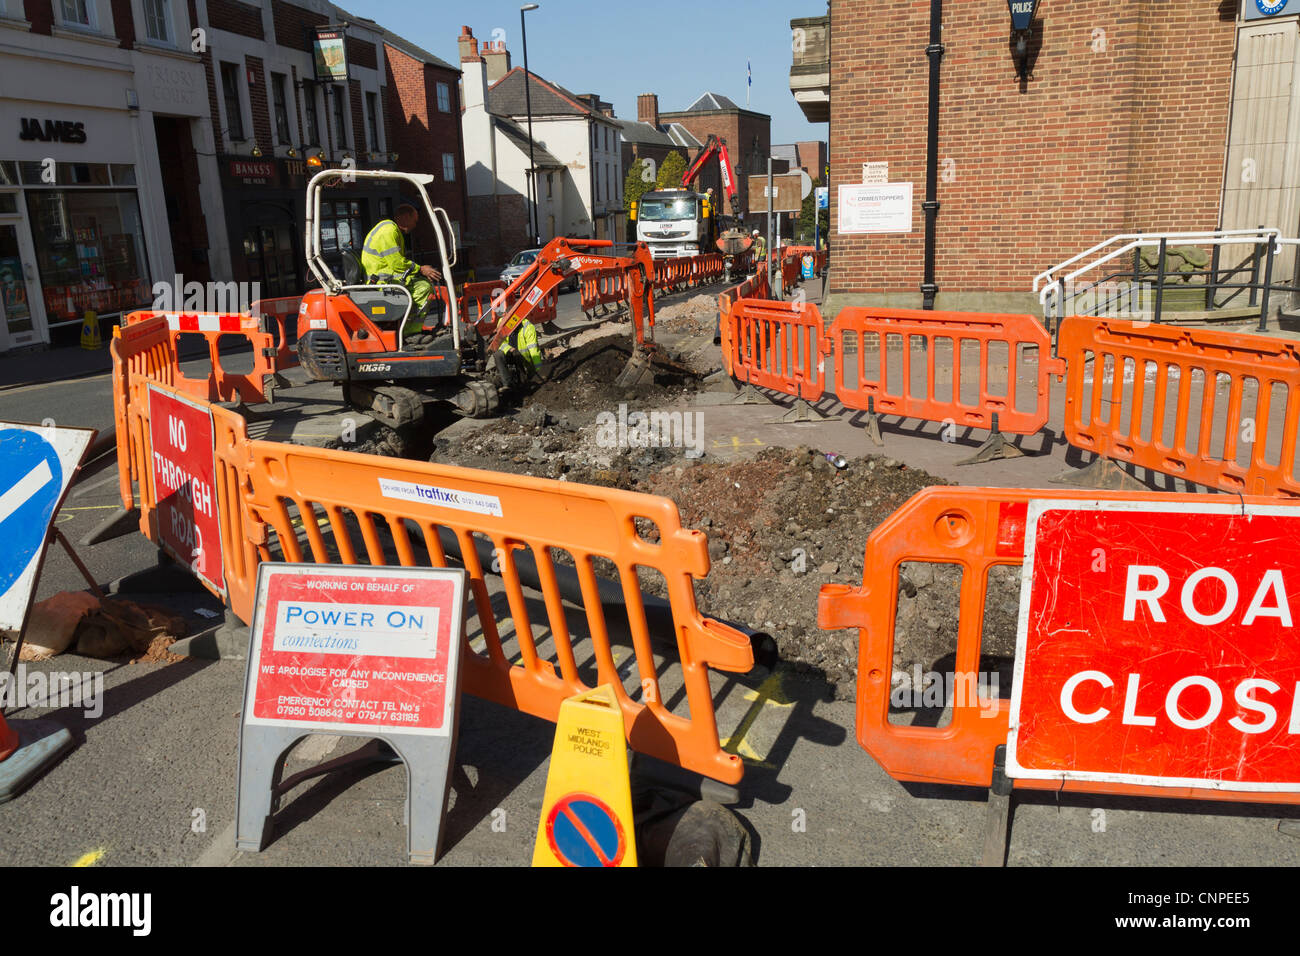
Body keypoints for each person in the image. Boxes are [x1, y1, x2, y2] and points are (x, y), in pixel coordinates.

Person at [360, 203, 443, 339]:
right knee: (423, 288)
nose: (415, 225)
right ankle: (409, 331)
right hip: (382, 283)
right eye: (414, 221)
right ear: (405, 217)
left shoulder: (391, 230)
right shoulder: (388, 231)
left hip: (385, 279)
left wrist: (417, 273)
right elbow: (397, 263)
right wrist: (421, 269)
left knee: (420, 282)